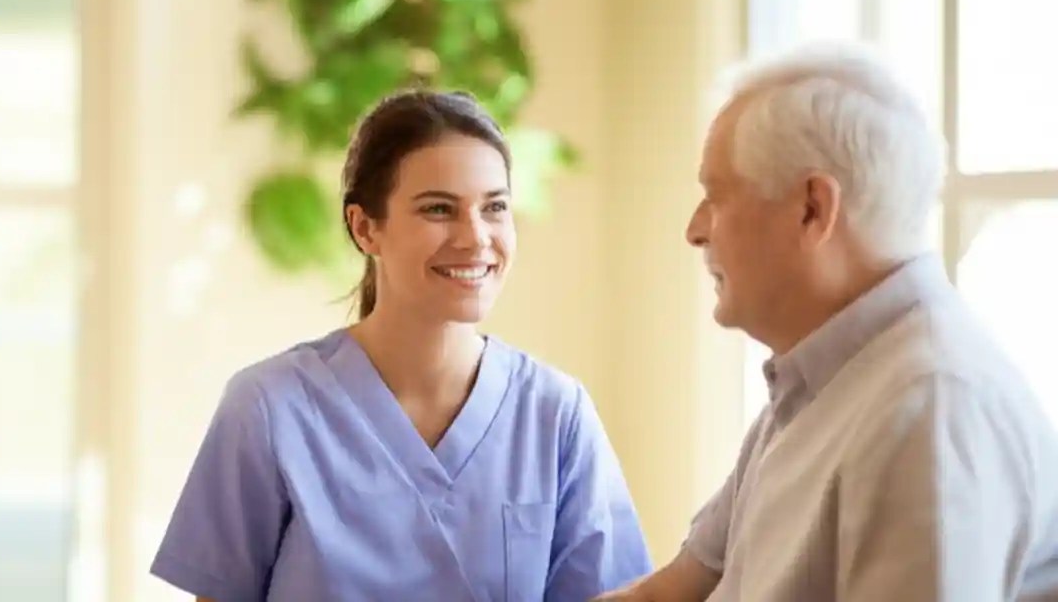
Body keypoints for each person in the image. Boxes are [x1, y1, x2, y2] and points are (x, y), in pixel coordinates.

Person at [595, 45, 1058, 601]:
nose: (695, 231)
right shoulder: (814, 380)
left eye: (715, 197)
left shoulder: (931, 402)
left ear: (813, 208)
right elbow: (667, 595)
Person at [152, 90, 652, 601]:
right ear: (365, 227)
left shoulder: (555, 416)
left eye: (494, 207)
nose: (476, 237)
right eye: (439, 209)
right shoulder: (268, 408)